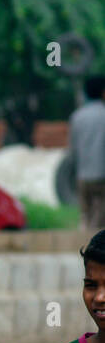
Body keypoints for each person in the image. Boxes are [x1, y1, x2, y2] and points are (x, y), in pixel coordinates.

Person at [69, 76, 105, 229]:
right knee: (100, 218)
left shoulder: (77, 117)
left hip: (82, 175)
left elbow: (73, 149)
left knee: (85, 215)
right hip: (102, 174)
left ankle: (84, 246)